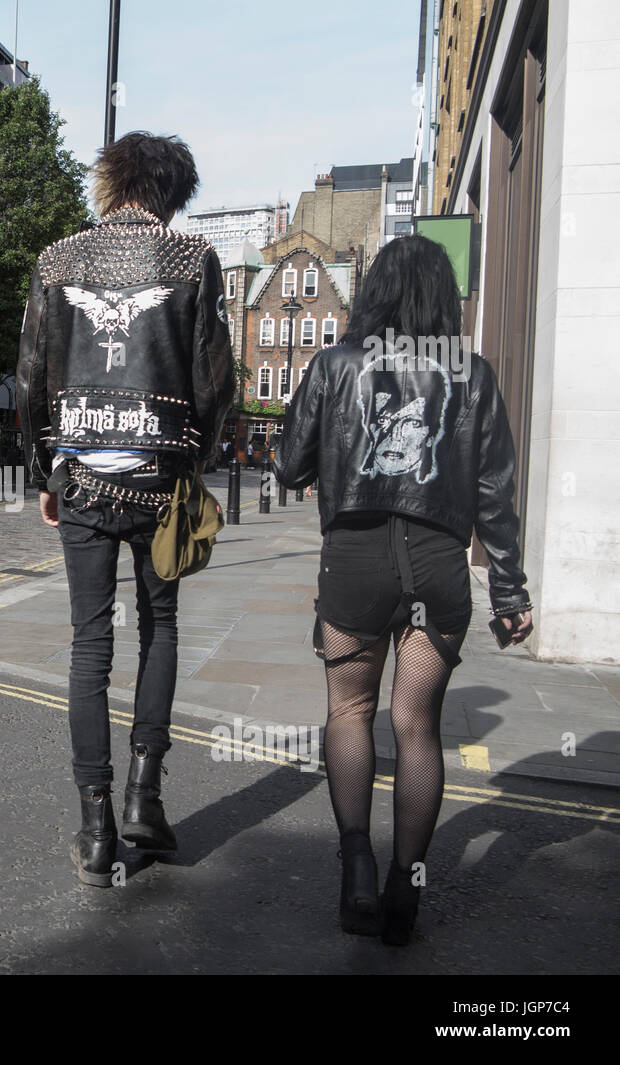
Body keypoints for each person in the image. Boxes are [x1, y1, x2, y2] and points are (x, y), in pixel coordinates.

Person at [274, 235, 533, 946]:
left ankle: (356, 864)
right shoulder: (473, 374)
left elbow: (288, 465)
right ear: (443, 299)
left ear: (375, 292)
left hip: (354, 560)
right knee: (417, 726)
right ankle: (404, 888)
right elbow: (495, 496)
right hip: (438, 561)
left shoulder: (335, 364)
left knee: (350, 713)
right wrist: (510, 592)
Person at [18, 131, 234, 887]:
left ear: (112, 181)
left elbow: (30, 377)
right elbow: (216, 386)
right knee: (161, 624)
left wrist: (45, 471)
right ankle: (145, 794)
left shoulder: (57, 260)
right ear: (173, 192)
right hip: (161, 476)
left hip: (82, 474)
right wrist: (192, 462)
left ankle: (96, 824)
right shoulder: (192, 260)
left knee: (88, 643)